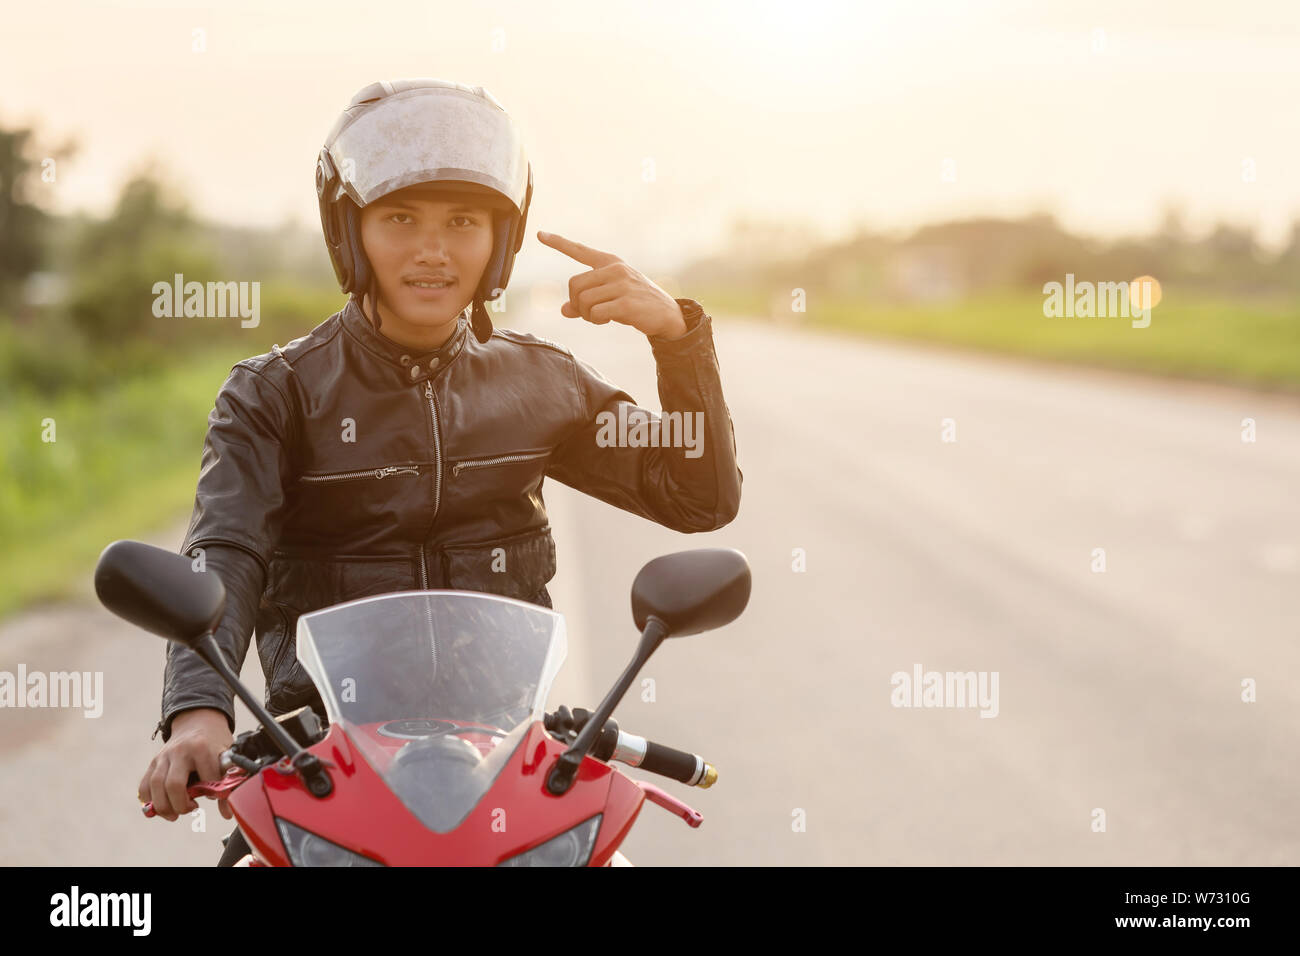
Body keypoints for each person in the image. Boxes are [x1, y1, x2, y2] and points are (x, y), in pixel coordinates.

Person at [137, 78, 743, 865]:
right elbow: (224, 554)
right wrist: (198, 713)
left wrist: (675, 336)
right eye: (400, 218)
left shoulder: (543, 382)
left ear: (501, 238)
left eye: (462, 221)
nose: (433, 249)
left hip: (507, 769)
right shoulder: (274, 392)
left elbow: (698, 496)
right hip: (321, 771)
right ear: (350, 231)